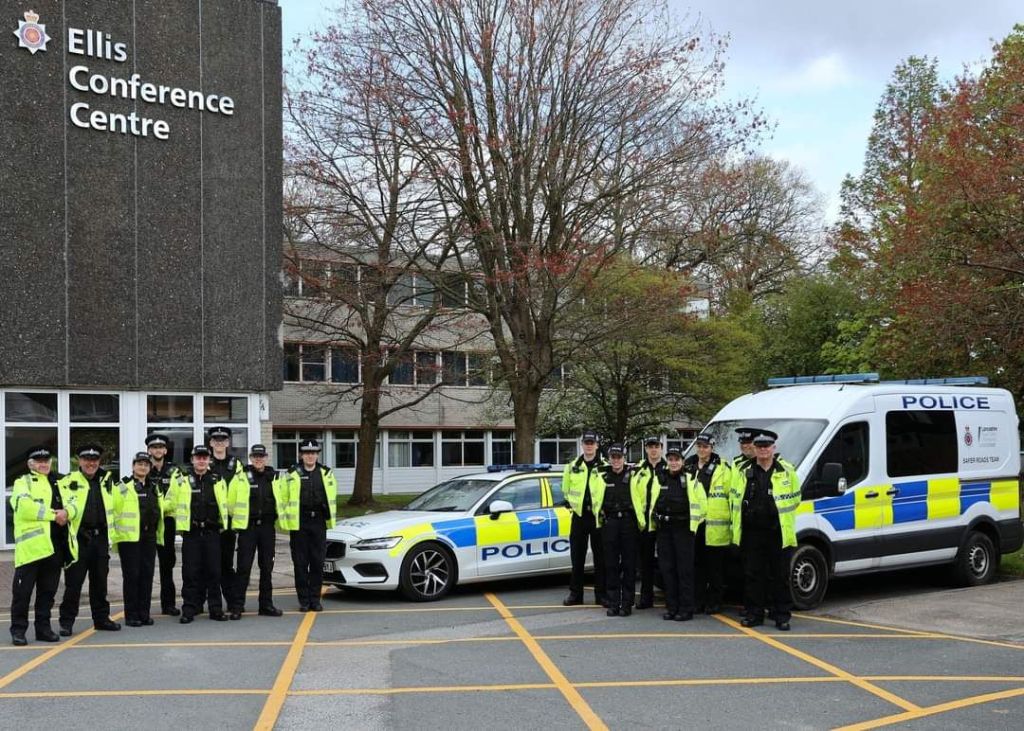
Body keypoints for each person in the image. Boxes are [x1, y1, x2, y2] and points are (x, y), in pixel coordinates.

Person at [731, 429, 801, 631]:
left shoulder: (786, 470)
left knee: (780, 576)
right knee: (753, 575)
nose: (763, 450)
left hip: (778, 532)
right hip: (752, 532)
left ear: (774, 448)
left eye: (767, 446)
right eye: (759, 447)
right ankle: (754, 615)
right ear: (754, 448)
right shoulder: (744, 470)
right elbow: (735, 499)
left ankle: (781, 616)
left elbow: (795, 498)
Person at [9, 447, 80, 645]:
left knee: (47, 594)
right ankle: (18, 630)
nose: (44, 464)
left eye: (46, 460)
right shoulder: (23, 482)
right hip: (31, 549)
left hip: (55, 548)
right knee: (22, 594)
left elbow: (76, 502)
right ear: (30, 464)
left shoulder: (62, 481)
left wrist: (68, 512)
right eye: (39, 461)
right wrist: (54, 515)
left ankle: (43, 629)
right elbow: (24, 507)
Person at [58, 444, 121, 635]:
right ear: (79, 461)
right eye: (86, 459)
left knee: (100, 582)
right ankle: (66, 622)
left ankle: (101, 619)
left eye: (94, 460)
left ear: (99, 462)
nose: (90, 463)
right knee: (74, 584)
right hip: (79, 539)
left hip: (100, 538)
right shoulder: (67, 481)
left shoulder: (108, 480)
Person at [170, 445, 230, 623]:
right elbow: (171, 502)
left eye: (205, 458)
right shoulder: (182, 480)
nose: (202, 461)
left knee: (214, 572)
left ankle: (216, 609)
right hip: (192, 533)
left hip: (212, 532)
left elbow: (224, 503)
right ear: (192, 459)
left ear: (209, 460)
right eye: (198, 457)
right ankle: (189, 608)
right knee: (190, 572)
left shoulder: (217, 480)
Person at [649, 446, 706, 621]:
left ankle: (686, 609)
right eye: (671, 459)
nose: (674, 463)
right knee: (668, 570)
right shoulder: (660, 478)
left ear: (682, 461)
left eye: (677, 459)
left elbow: (703, 506)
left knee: (685, 571)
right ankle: (672, 607)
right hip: (664, 529)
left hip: (683, 530)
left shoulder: (691, 479)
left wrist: (693, 525)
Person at [280, 439, 337, 612]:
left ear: (317, 454)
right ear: (301, 455)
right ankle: (304, 600)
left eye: (313, 453)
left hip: (319, 522)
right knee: (300, 563)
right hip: (299, 523)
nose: (310, 456)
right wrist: (285, 521)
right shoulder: (291, 473)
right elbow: (282, 499)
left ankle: (315, 599)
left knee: (318, 562)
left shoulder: (326, 473)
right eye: (306, 453)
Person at [230, 444, 285, 618]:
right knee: (243, 568)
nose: (258, 459)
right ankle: (238, 607)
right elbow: (231, 503)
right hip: (248, 528)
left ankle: (266, 605)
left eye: (261, 456)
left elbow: (283, 499)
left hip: (268, 528)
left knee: (267, 568)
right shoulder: (240, 478)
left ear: (266, 457)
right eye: (255, 456)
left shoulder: (275, 478)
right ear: (251, 458)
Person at [112, 453, 165, 627]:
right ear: (133, 466)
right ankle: (131, 615)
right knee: (132, 576)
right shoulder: (121, 487)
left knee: (147, 576)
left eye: (146, 465)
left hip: (149, 536)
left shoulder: (154, 487)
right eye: (139, 464)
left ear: (150, 468)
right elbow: (114, 512)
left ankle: (144, 613)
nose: (143, 467)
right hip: (130, 539)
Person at [684, 433, 732, 614]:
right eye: (699, 446)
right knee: (697, 566)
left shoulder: (723, 467)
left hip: (715, 526)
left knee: (715, 569)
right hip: (696, 525)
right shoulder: (689, 465)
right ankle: (698, 601)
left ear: (712, 447)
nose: (702, 450)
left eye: (705, 446)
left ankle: (715, 602)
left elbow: (731, 497)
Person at [561, 430, 608, 607]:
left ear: (596, 445)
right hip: (579, 516)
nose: (589, 446)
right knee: (577, 558)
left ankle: (601, 595)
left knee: (600, 559)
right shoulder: (572, 466)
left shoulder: (605, 466)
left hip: (597, 517)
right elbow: (566, 490)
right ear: (582, 445)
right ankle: (576, 594)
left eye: (592, 443)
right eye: (586, 443)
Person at [598, 444, 645, 617]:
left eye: (619, 457)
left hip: (628, 523)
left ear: (624, 458)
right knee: (610, 565)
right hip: (609, 522)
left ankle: (627, 603)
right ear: (609, 458)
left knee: (629, 565)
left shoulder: (634, 476)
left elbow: (642, 498)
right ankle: (613, 603)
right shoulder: (602, 476)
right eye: (613, 457)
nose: (616, 460)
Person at [206, 426, 248, 618]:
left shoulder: (236, 465)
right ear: (211, 443)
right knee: (211, 566)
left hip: (229, 524)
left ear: (228, 443)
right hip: (212, 523)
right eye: (216, 440)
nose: (220, 443)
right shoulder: (206, 463)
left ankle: (232, 602)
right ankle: (207, 604)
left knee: (227, 565)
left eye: (223, 440)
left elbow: (242, 493)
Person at [146, 433, 180, 616]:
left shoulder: (174, 472)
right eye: (154, 447)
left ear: (165, 451)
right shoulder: (143, 468)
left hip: (167, 523)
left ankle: (169, 604)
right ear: (149, 450)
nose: (157, 450)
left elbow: (175, 498)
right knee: (147, 566)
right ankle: (143, 606)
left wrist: (156, 508)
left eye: (161, 447)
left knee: (167, 565)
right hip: (148, 524)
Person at [630, 436, 666, 609]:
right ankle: (646, 597)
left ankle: (670, 596)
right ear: (646, 449)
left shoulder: (669, 467)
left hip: (664, 522)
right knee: (645, 562)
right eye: (650, 446)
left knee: (666, 561)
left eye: (656, 446)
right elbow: (633, 495)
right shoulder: (638, 470)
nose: (653, 450)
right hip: (644, 522)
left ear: (661, 448)